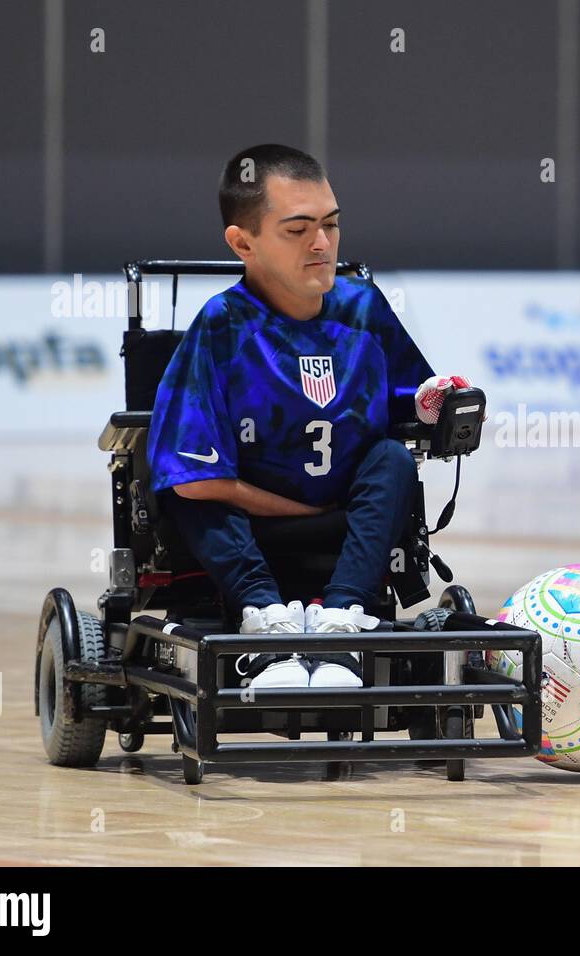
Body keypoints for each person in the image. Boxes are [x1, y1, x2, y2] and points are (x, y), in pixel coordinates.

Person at [148, 144, 470, 688]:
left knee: (392, 459)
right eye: (298, 230)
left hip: (345, 528)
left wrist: (432, 400)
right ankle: (265, 627)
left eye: (331, 224)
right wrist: (292, 507)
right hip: (250, 529)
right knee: (188, 491)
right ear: (242, 242)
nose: (322, 244)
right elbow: (197, 481)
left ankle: (342, 623)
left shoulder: (363, 308)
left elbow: (407, 401)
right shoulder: (222, 325)